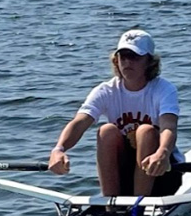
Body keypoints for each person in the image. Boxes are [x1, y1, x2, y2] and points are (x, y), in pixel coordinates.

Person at [47, 29, 183, 196]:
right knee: (106, 131)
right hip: (124, 172)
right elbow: (80, 122)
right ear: (116, 60)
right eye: (122, 57)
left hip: (162, 171)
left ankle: (138, 207)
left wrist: (163, 151)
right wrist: (58, 149)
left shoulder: (163, 89)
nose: (127, 62)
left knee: (146, 131)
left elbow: (169, 125)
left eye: (134, 57)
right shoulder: (106, 90)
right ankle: (111, 205)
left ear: (149, 62)